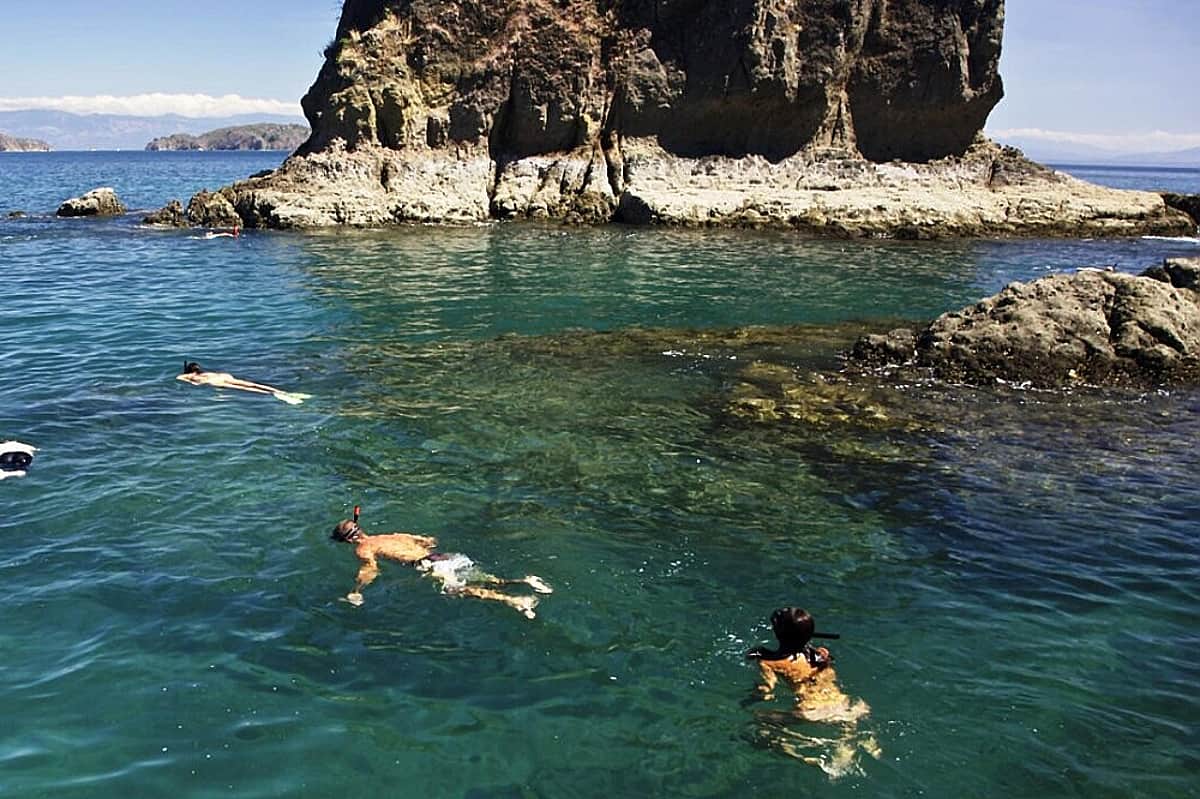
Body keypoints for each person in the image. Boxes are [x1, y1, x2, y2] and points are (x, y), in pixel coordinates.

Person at [330, 507, 552, 618]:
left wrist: (357, 589)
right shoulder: (392, 535)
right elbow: (428, 540)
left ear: (349, 540)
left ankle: (514, 601)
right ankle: (525, 580)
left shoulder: (363, 548)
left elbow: (370, 569)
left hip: (429, 565)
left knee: (459, 590)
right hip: (443, 557)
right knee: (485, 578)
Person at [746, 607, 878, 777]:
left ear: (778, 633)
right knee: (848, 735)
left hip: (811, 710)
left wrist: (751, 698)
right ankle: (853, 747)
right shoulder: (820, 656)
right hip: (845, 704)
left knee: (759, 721)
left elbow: (767, 691)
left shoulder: (769, 663)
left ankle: (800, 756)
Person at [176, 361, 310, 405]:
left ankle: (273, 395)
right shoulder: (207, 372)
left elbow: (179, 378)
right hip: (222, 375)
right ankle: (279, 391)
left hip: (212, 381)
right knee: (251, 384)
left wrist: (194, 383)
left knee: (246, 389)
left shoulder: (188, 375)